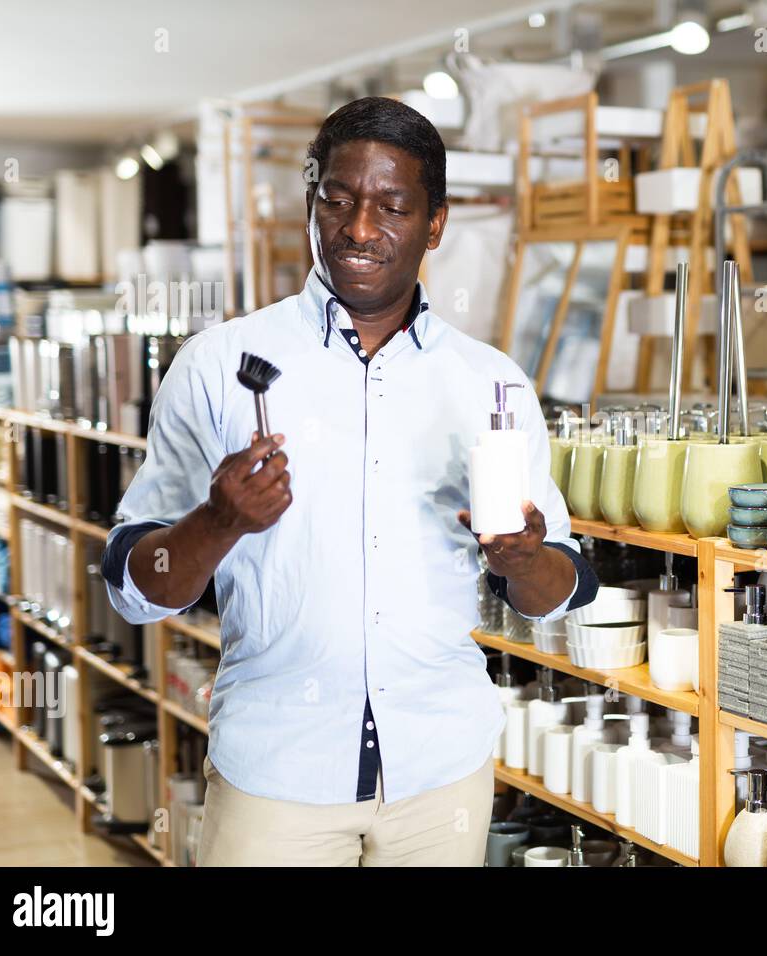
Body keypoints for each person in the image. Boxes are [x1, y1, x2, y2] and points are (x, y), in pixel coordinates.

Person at [103, 97, 597, 866]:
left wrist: (522, 559)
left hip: (440, 780)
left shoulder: (489, 384)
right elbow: (136, 588)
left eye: (392, 207)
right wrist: (218, 523)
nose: (359, 229)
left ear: (434, 224)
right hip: (276, 778)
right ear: (313, 203)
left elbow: (558, 592)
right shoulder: (216, 366)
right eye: (338, 200)